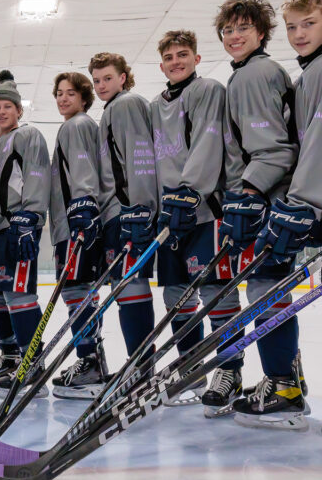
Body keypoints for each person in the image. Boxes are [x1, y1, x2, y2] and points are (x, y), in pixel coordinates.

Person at [246, 0, 322, 431]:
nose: (298, 34)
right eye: (292, 26)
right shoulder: (310, 73)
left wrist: (302, 202)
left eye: (308, 23)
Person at [209, 0, 299, 417]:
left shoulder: (255, 74)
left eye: (243, 28)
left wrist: (247, 193)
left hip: (265, 197)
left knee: (266, 289)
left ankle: (283, 386)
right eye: (228, 30)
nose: (234, 36)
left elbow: (275, 149)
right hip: (265, 195)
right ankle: (287, 378)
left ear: (261, 33)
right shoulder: (248, 73)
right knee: (267, 288)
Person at [150, 30, 232, 406]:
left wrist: (189, 191)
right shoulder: (155, 106)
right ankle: (192, 368)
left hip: (202, 211)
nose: (176, 61)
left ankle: (229, 370)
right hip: (169, 216)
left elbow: (207, 143)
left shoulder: (207, 90)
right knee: (176, 296)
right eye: (169, 57)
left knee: (216, 292)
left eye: (183, 54)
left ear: (197, 59)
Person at [0, 73, 51, 399]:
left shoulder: (28, 136)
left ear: (18, 110)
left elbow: (36, 175)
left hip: (15, 227)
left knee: (18, 296)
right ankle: (9, 357)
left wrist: (31, 217)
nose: (1, 111)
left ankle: (32, 362)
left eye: (8, 106)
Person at [89, 53, 159, 367]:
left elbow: (140, 159)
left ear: (123, 77)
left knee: (131, 286)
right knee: (124, 287)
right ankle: (139, 364)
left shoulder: (126, 105)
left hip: (127, 212)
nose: (101, 85)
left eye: (107, 78)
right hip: (117, 213)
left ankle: (142, 365)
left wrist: (139, 209)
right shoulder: (111, 110)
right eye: (96, 80)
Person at [46, 71, 109, 399]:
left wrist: (84, 209)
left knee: (78, 291)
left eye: (70, 93)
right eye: (59, 93)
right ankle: (91, 359)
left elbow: (83, 171)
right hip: (66, 225)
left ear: (85, 98)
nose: (63, 98)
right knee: (77, 292)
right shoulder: (70, 127)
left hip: (76, 225)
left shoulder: (77, 125)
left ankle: (90, 362)